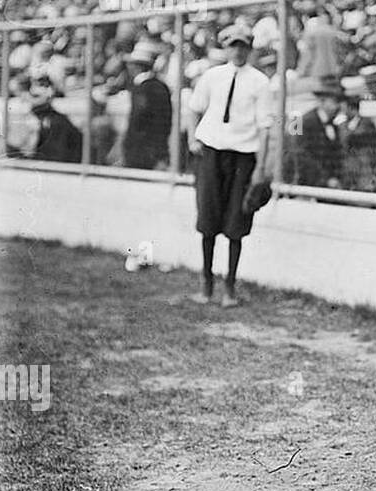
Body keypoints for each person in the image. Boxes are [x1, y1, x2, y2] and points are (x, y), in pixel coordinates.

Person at [187, 22, 273, 307]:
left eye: (243, 46)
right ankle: (206, 285)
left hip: (243, 156)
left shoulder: (260, 82)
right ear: (225, 47)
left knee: (237, 221)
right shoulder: (212, 76)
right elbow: (194, 108)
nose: (238, 51)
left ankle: (230, 288)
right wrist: (192, 139)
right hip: (211, 153)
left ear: (250, 49)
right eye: (233, 46)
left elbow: (265, 127)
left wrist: (261, 167)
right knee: (208, 218)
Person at [121, 40, 173, 170]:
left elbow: (138, 119)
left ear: (138, 66)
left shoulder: (143, 89)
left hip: (141, 151)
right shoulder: (161, 86)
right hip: (156, 149)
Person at [290, 77, 346, 188]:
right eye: (335, 101)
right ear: (321, 101)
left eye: (339, 101)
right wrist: (325, 180)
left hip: (328, 185)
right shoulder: (302, 122)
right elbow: (301, 156)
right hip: (307, 184)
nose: (338, 106)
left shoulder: (333, 124)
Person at [26, 69, 83, 163]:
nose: (34, 89)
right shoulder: (32, 118)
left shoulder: (57, 122)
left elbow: (55, 158)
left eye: (43, 84)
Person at [340, 88, 376, 191]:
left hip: (364, 166)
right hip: (348, 166)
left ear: (352, 109)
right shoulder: (343, 124)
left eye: (344, 108)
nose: (343, 111)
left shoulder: (367, 124)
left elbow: (353, 138)